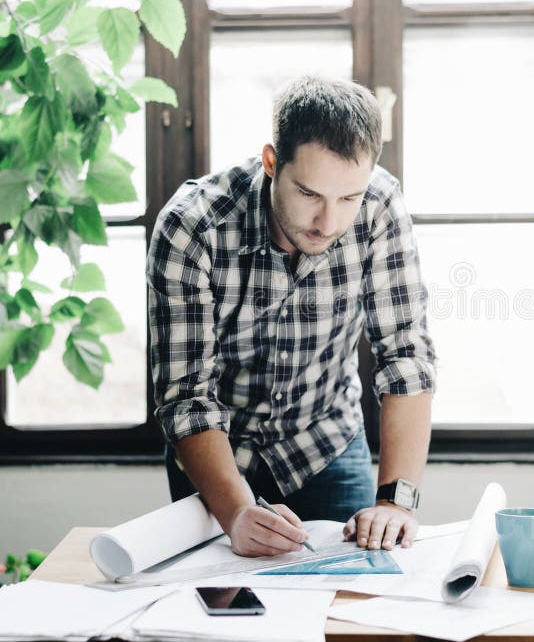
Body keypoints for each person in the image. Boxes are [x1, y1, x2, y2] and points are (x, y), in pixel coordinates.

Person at [146, 76, 437, 559]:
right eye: (309, 195)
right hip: (217, 452)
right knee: (219, 617)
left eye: (348, 199)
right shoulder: (191, 227)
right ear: (271, 162)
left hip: (325, 444)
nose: (329, 223)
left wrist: (396, 502)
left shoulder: (381, 204)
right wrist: (236, 511)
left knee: (348, 611)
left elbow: (405, 355)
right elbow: (185, 398)